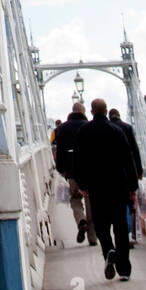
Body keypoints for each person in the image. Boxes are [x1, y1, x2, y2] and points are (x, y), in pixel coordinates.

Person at [72, 98, 138, 281]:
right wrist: (133, 187)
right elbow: (128, 160)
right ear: (106, 110)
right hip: (118, 186)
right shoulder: (117, 131)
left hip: (96, 187)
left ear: (92, 112)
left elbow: (77, 161)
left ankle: (109, 250)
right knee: (121, 227)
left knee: (101, 225)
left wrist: (83, 185)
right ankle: (124, 269)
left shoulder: (84, 132)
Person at [53, 103, 97, 246]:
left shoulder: (63, 128)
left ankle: (80, 220)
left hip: (72, 172)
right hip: (90, 171)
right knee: (91, 202)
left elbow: (59, 152)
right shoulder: (90, 126)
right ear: (84, 112)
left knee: (75, 199)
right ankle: (93, 237)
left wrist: (61, 169)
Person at [109, 108, 143, 246]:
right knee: (128, 204)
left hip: (111, 174)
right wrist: (138, 172)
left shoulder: (109, 129)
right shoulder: (127, 128)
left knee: (117, 206)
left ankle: (121, 235)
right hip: (128, 173)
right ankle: (128, 233)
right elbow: (134, 151)